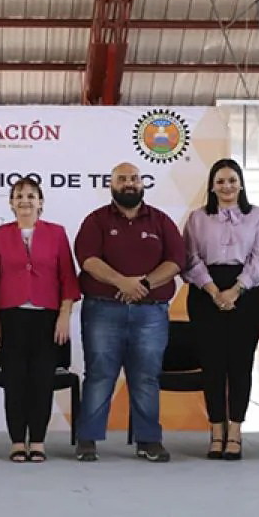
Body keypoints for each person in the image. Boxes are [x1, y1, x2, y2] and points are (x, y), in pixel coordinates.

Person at [73, 162, 184, 462]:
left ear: (142, 183)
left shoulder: (160, 221)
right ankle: (88, 440)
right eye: (122, 179)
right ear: (111, 184)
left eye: (134, 178)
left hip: (150, 312)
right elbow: (87, 259)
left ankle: (148, 440)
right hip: (103, 311)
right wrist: (122, 282)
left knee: (146, 376)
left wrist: (144, 285)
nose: (129, 183)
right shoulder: (96, 221)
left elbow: (176, 260)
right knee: (99, 374)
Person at [0, 177, 81, 463]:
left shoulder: (57, 234)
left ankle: (37, 440)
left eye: (31, 195)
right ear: (11, 203)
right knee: (14, 380)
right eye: (19, 195)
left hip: (47, 318)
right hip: (10, 318)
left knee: (41, 380)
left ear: (41, 202)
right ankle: (16, 441)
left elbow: (67, 279)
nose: (25, 200)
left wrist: (64, 316)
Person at [182, 159, 259, 461]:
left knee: (240, 364)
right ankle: (215, 430)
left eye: (232, 180)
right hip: (205, 292)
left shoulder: (258, 217)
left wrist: (235, 290)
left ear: (241, 184)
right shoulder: (197, 218)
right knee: (212, 365)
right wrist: (212, 290)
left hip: (246, 294)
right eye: (220, 181)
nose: (227, 186)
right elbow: (190, 259)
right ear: (212, 186)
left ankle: (235, 432)